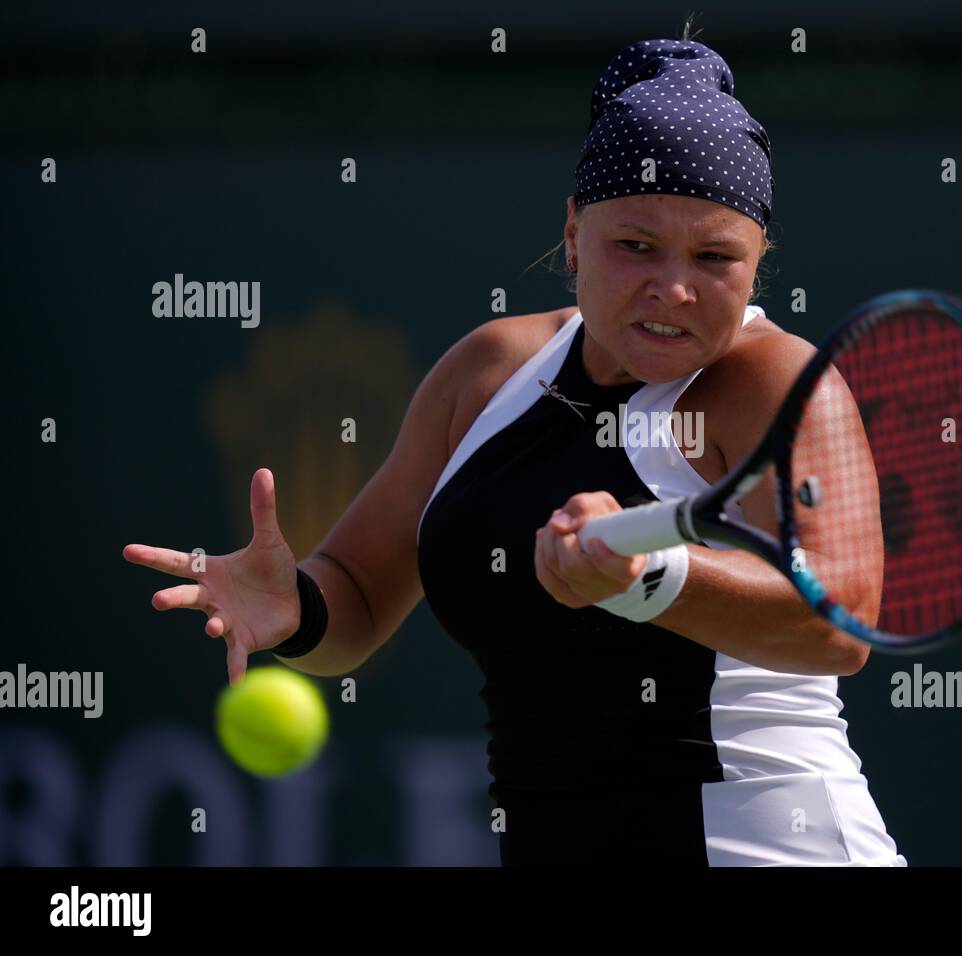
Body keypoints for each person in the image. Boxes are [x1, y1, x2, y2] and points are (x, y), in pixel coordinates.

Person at [124, 37, 906, 867]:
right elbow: (354, 592)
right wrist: (297, 608)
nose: (673, 287)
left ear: (756, 269)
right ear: (572, 234)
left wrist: (649, 579)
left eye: (715, 257)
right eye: (635, 245)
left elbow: (840, 622)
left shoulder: (777, 382)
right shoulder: (488, 371)